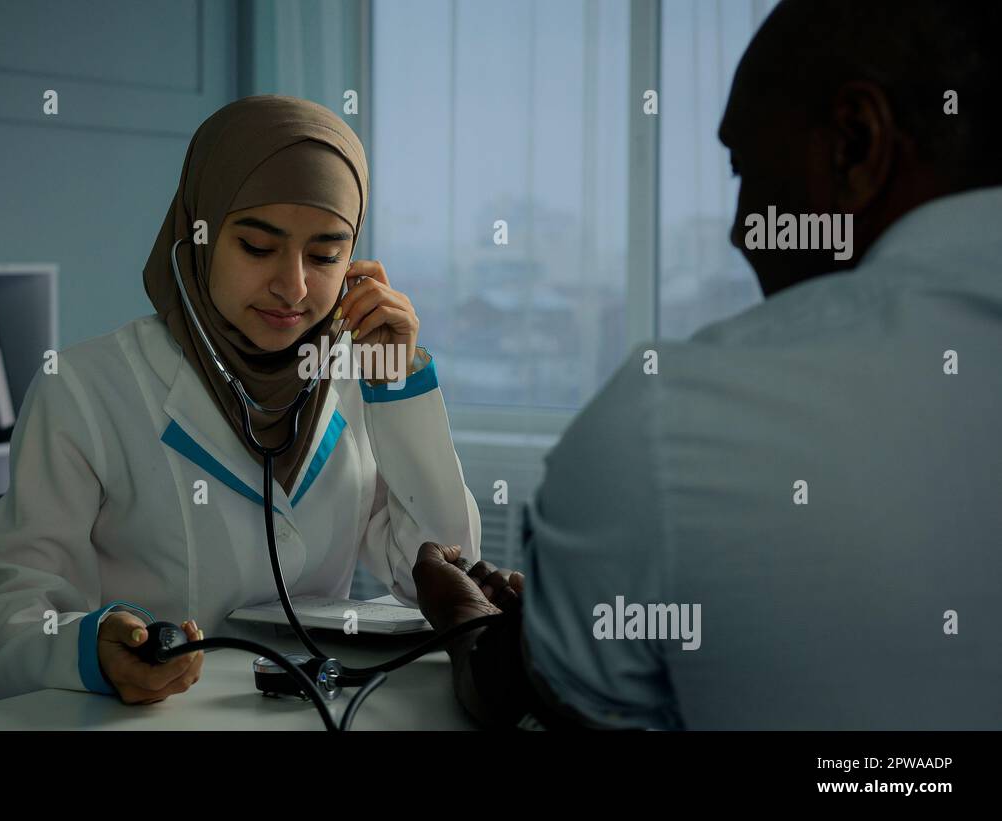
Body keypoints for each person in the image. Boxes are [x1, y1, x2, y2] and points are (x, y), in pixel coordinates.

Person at [415, 0, 1002, 730]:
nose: (737, 229)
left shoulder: (673, 428)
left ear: (854, 144)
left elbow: (510, 693)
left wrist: (463, 616)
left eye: (743, 168)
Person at [0, 95, 481, 705]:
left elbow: (442, 577)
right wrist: (90, 649)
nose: (293, 287)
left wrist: (399, 384)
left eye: (324, 255)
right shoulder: (83, 388)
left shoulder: (354, 377)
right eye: (257, 248)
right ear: (198, 234)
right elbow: (1, 629)